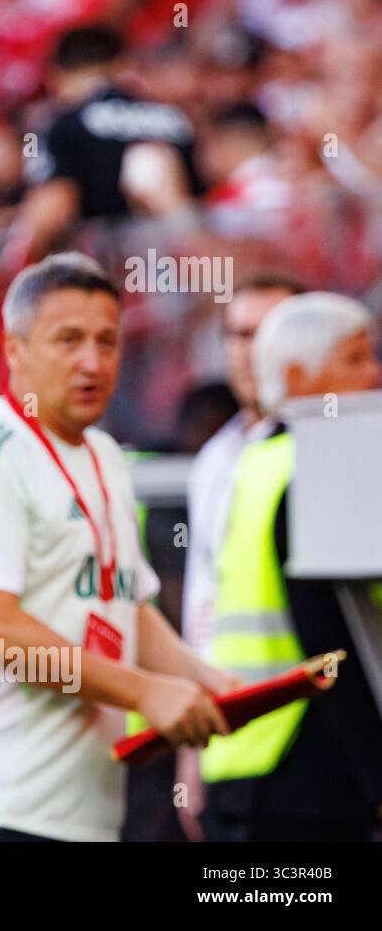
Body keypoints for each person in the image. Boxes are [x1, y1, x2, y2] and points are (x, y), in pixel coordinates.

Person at [0, 252, 237, 843]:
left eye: (108, 342)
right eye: (69, 340)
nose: (93, 361)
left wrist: (205, 679)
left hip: (84, 812)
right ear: (15, 350)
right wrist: (143, 690)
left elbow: (126, 605)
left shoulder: (106, 455)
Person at [199, 292, 382, 841]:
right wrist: (377, 777)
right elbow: (325, 635)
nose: (374, 374)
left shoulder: (256, 462)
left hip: (246, 765)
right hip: (306, 773)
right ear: (299, 377)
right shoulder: (314, 468)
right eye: (356, 358)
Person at [175, 275, 301, 837]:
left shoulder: (324, 449)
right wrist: (190, 750)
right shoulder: (215, 460)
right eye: (239, 335)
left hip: (314, 737)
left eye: (269, 335)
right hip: (232, 740)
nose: (251, 353)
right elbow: (203, 601)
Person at [19, 26, 201, 257]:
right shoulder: (176, 118)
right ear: (123, 65)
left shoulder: (60, 124)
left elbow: (54, 205)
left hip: (111, 270)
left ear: (56, 76)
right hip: (182, 264)